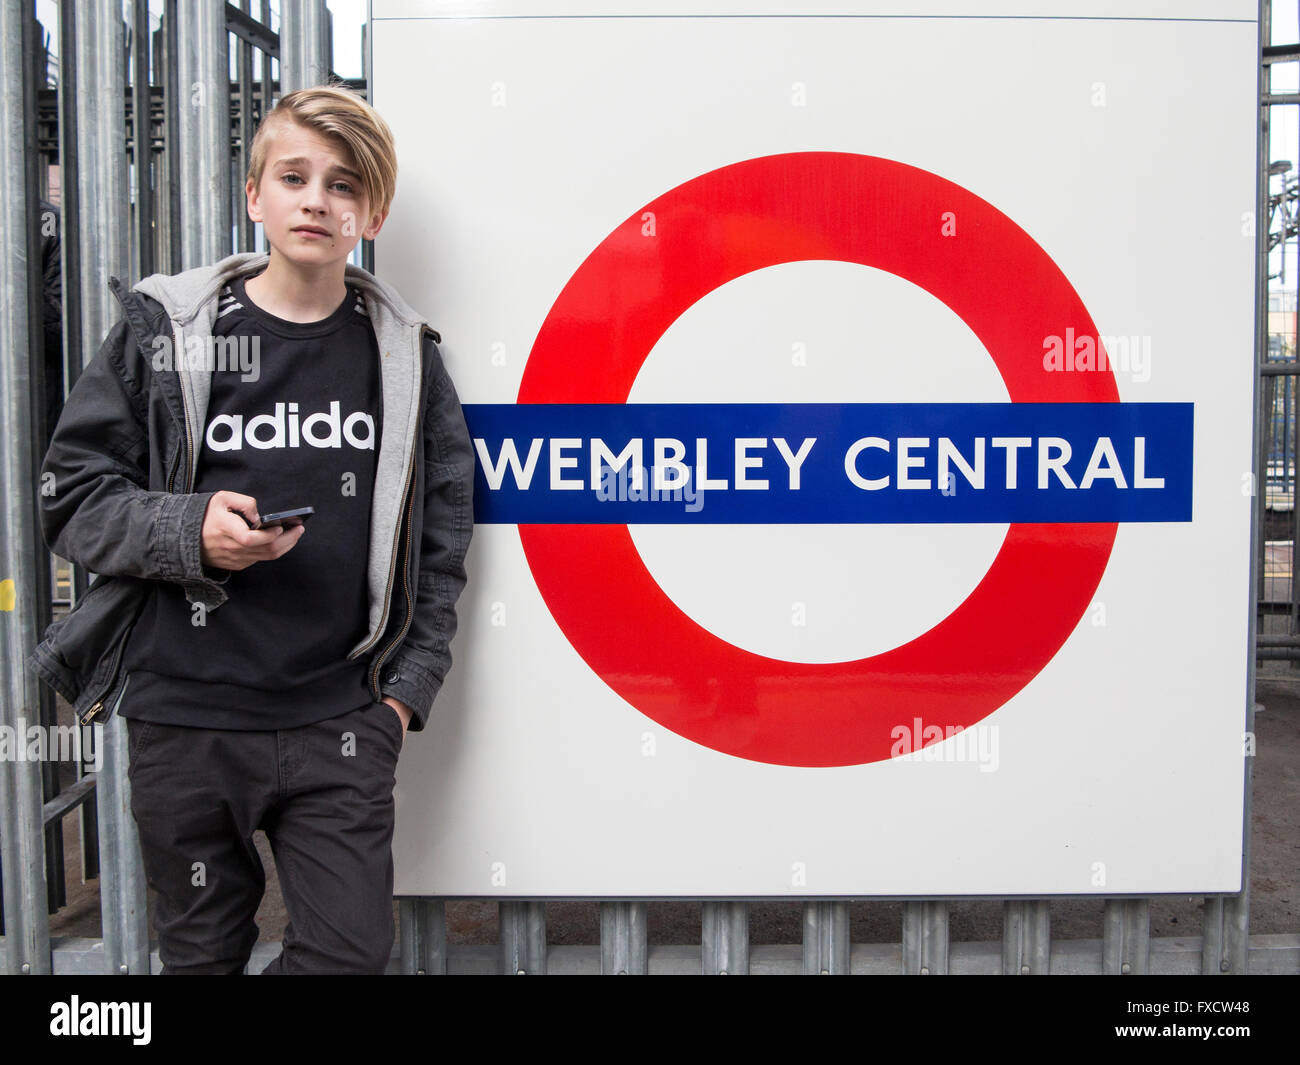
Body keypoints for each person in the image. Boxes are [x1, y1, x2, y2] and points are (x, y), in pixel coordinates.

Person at [28, 83, 474, 974]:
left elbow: (444, 540)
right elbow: (70, 494)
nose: (317, 199)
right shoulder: (173, 333)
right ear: (254, 196)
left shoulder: (403, 355)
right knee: (200, 956)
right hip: (184, 720)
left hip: (339, 718)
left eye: (344, 184)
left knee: (348, 953)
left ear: (371, 211)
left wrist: (401, 694)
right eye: (295, 176)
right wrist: (191, 530)